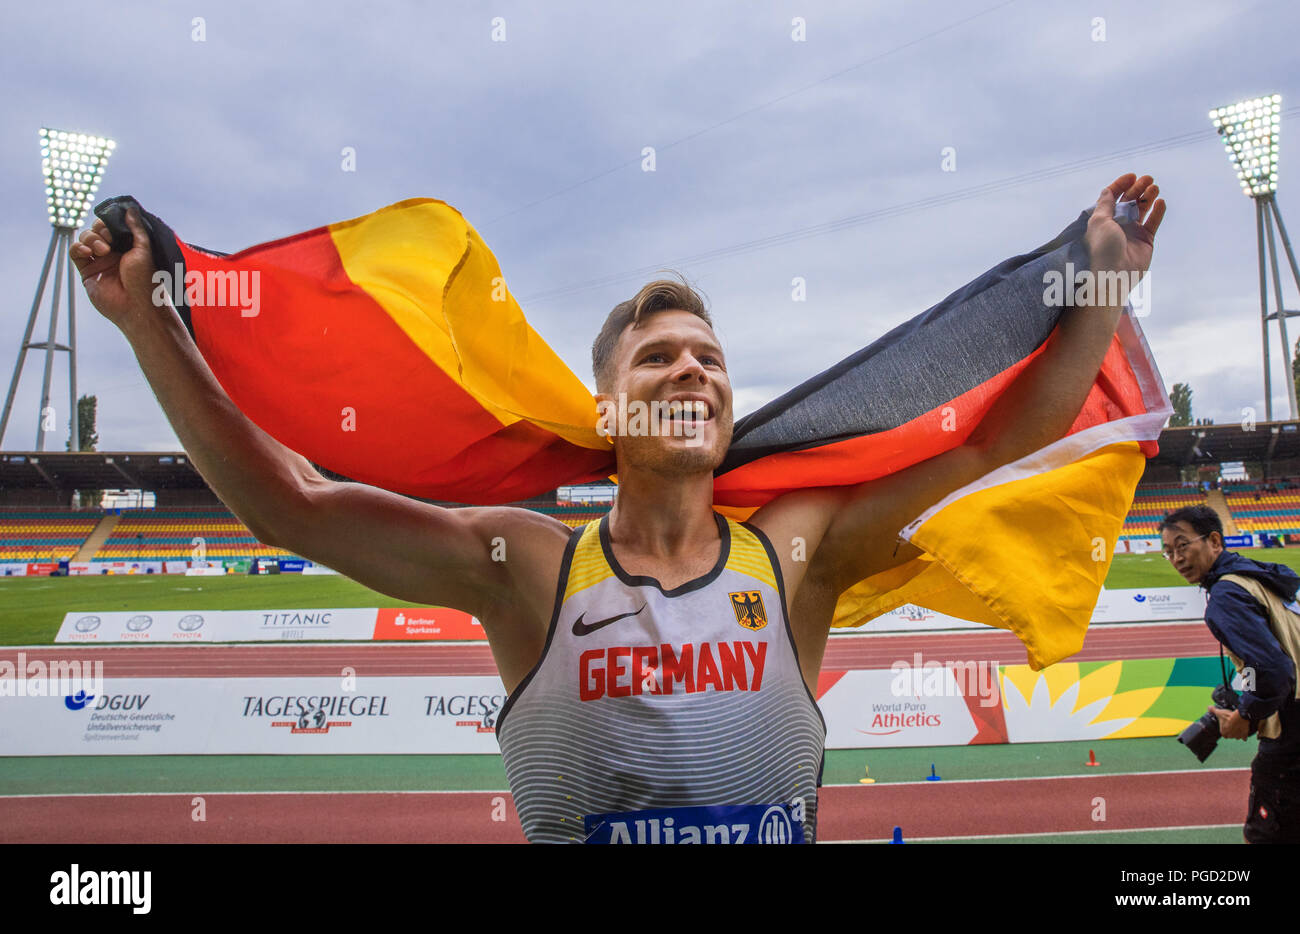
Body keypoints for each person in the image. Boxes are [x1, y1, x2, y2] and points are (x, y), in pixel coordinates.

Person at [71, 173, 1163, 844]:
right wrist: (152, 324)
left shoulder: (796, 553)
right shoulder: (528, 566)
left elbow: (994, 442)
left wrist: (1100, 281)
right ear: (605, 404)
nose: (690, 371)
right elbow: (292, 504)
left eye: (708, 357)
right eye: (657, 357)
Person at [1159, 505, 1300, 843]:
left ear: (1215, 541)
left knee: (1268, 835)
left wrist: (1245, 714)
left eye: (1182, 545)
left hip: (1292, 728)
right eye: (1168, 551)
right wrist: (1245, 698)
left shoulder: (1226, 594)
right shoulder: (1258, 578)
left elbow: (1276, 669)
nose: (1176, 558)